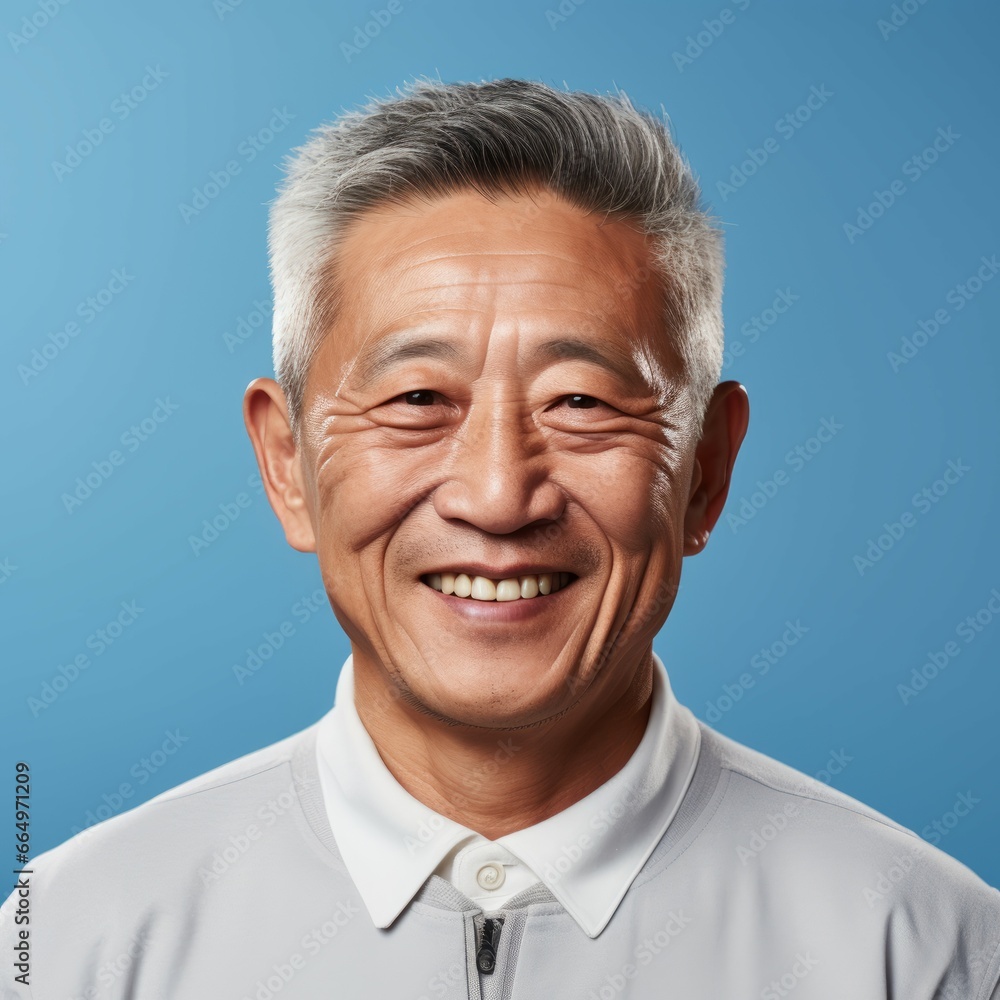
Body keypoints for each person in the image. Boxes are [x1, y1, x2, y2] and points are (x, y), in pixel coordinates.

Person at [3, 76, 999, 1000]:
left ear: (705, 470)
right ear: (287, 461)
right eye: (416, 398)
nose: (496, 495)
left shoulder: (921, 949)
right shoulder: (77, 943)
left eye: (581, 401)